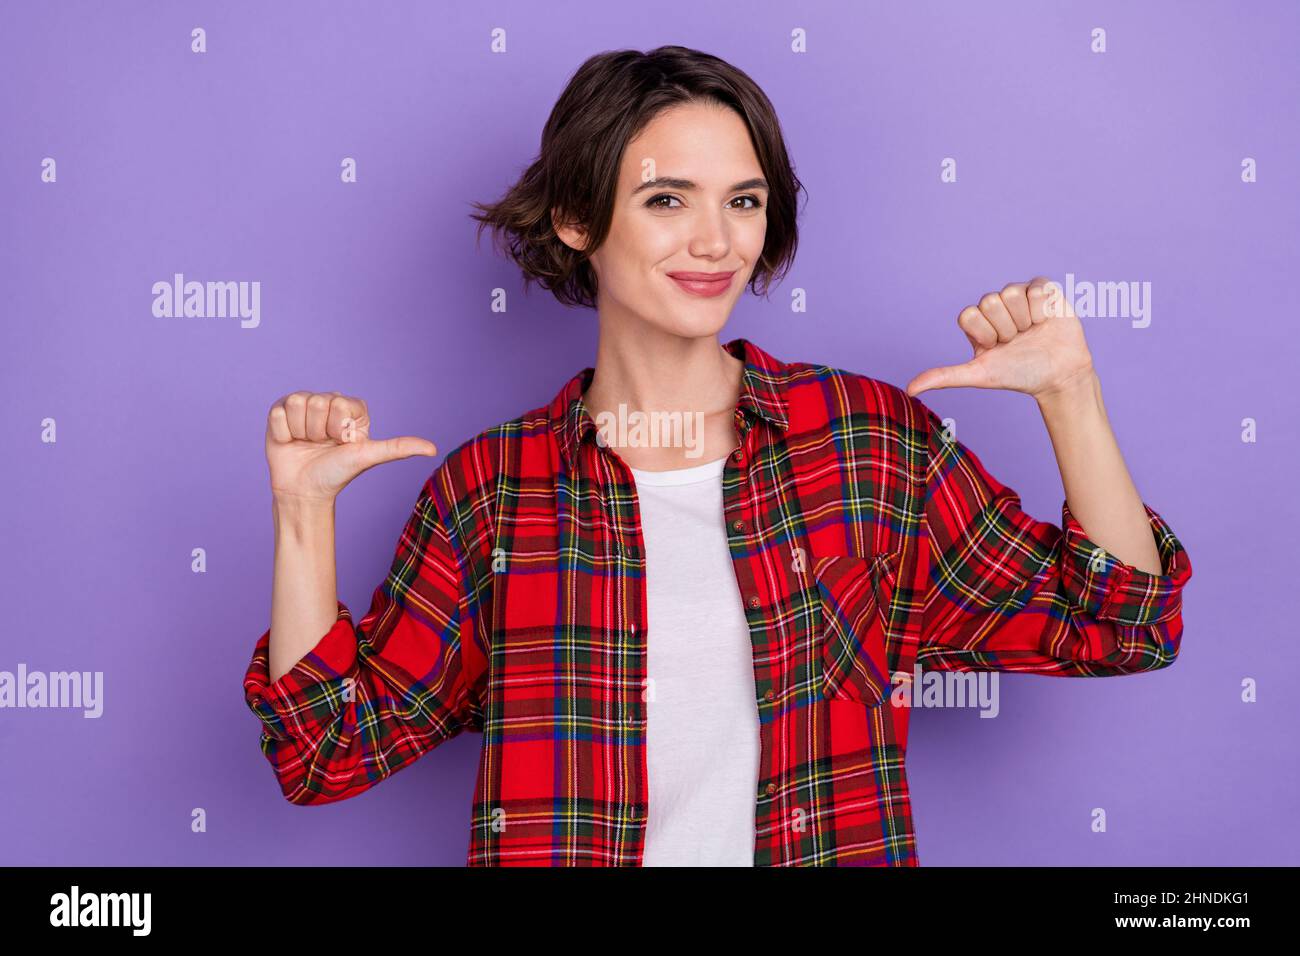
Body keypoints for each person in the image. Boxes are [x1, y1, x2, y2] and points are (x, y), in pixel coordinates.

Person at [243, 45, 1193, 866]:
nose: (716, 240)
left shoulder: (865, 445)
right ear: (577, 219)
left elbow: (1122, 626)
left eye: (744, 200)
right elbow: (325, 753)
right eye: (667, 199)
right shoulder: (493, 491)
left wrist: (1072, 397)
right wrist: (301, 515)